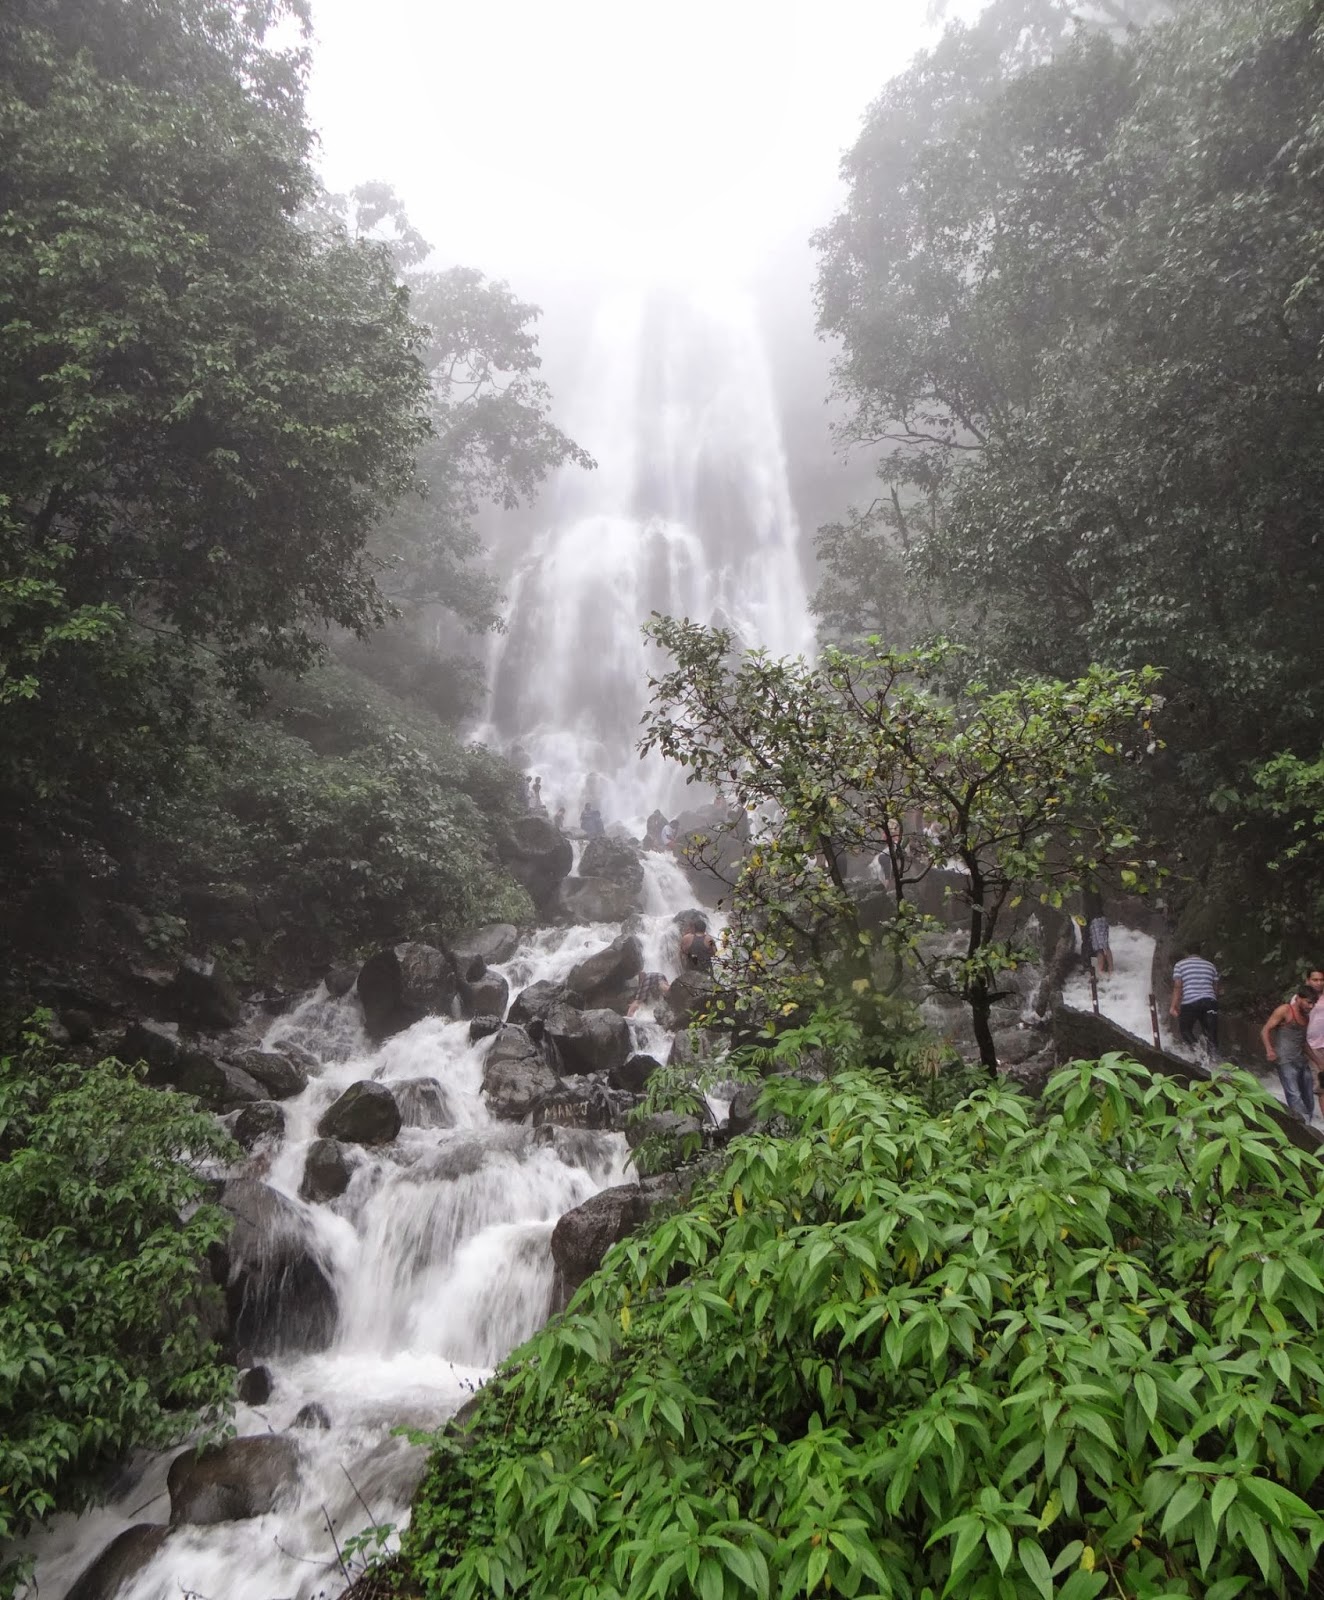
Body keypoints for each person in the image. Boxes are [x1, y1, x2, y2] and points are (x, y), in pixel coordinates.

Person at [1262, 987, 1318, 1122]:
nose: (1311, 1007)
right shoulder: (1285, 1010)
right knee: (1294, 1095)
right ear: (1298, 998)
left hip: (1301, 1061)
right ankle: (1304, 1127)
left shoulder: (1306, 1017)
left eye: (1313, 1004)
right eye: (1308, 1002)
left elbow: (1302, 1042)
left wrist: (1318, 1060)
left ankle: (1311, 1126)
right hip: (1285, 1061)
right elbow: (1265, 1030)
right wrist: (1269, 1049)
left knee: (1309, 1097)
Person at [1170, 942, 1220, 1055]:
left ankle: (1200, 1055)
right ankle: (1214, 1062)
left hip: (1190, 1002)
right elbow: (1215, 988)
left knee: (1185, 1030)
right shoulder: (1210, 966)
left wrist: (1173, 1006)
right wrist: (1213, 1002)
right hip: (1209, 1001)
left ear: (1186, 952)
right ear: (1200, 952)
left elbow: (1178, 986)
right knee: (1211, 1035)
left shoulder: (1180, 965)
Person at [1082, 885, 1112, 975]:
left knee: (1099, 949)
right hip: (1101, 919)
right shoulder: (1095, 892)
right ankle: (1108, 969)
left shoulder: (1088, 894)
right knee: (1104, 947)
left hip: (1096, 920)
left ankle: (1101, 969)